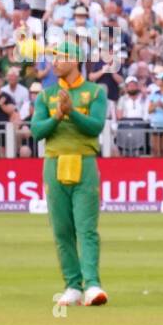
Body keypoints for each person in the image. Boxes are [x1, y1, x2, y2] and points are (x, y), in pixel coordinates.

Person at [30, 42, 108, 307]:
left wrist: (71, 113)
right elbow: (37, 131)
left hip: (84, 162)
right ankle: (73, 285)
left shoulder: (95, 92)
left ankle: (93, 284)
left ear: (75, 60)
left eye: (60, 58)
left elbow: (95, 127)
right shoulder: (46, 95)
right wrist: (57, 117)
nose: (54, 63)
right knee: (62, 229)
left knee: (86, 228)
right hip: (54, 164)